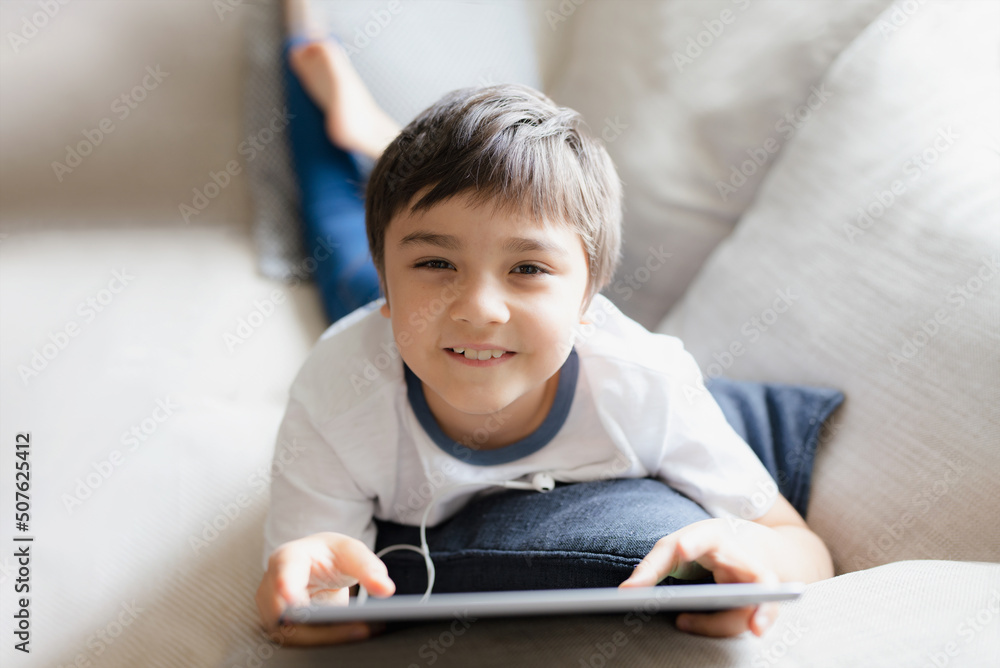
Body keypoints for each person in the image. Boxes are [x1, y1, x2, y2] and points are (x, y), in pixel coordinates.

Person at [257, 0, 834, 647]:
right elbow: (301, 602)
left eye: (528, 269)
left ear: (589, 300)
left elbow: (801, 547)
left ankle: (380, 144)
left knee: (468, 220)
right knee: (336, 221)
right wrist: (305, 599)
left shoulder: (645, 385)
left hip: (460, 312)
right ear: (391, 281)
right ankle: (327, 75)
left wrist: (749, 559)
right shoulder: (338, 389)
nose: (479, 307)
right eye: (434, 261)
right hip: (386, 315)